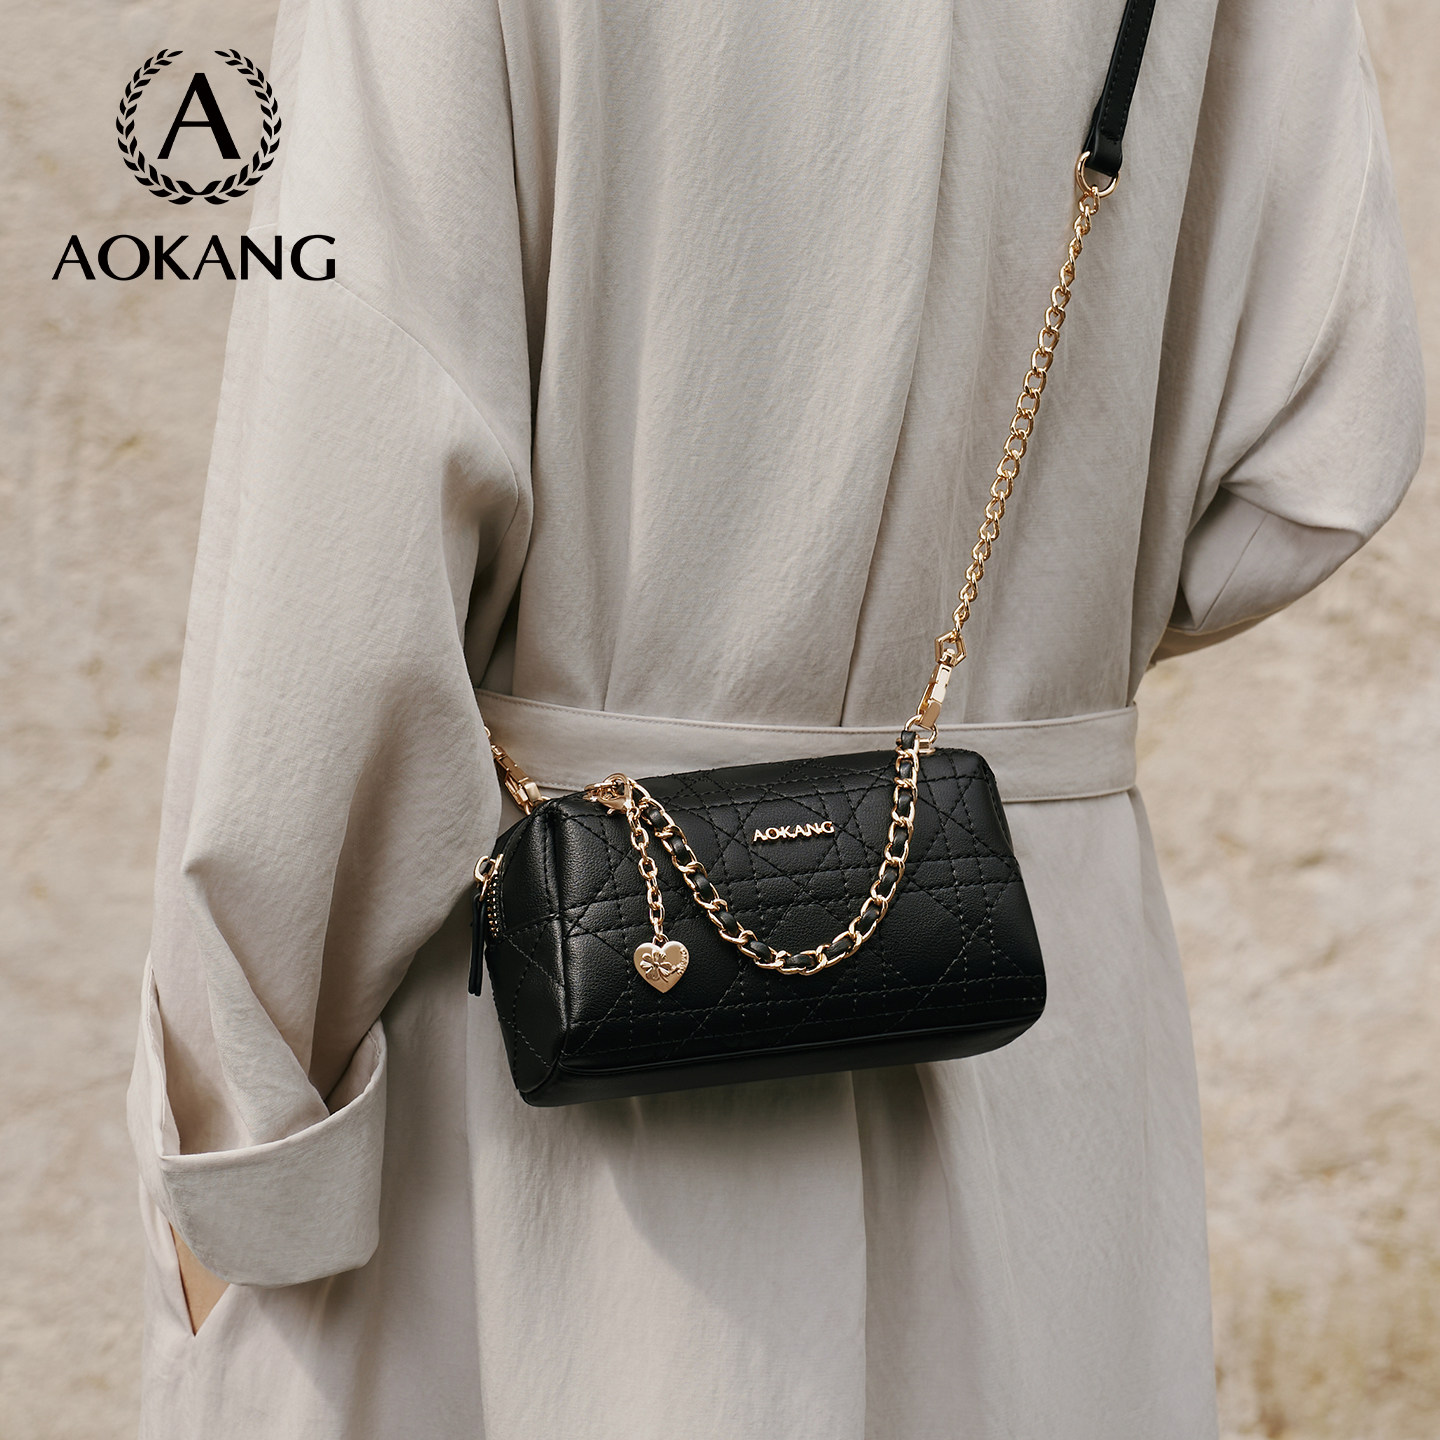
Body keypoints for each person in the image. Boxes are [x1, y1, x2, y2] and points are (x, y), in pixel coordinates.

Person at [127, 0, 1425, 1434]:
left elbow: (339, 564)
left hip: (551, 1057)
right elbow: (1319, 456)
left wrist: (237, 1152)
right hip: (1015, 1014)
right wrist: (1036, 665)